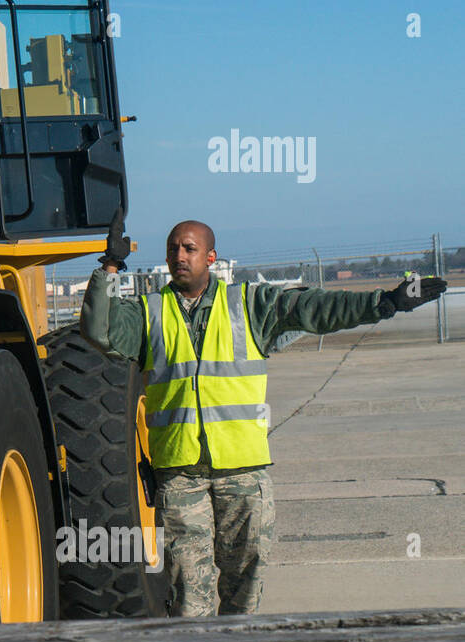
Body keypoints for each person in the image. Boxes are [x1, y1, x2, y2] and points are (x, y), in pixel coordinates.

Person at [79, 210, 447, 617]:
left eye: (189, 248)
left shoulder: (249, 305)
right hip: (180, 476)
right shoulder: (148, 313)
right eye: (172, 249)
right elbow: (100, 328)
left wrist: (385, 302)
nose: (179, 256)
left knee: (244, 592)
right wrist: (110, 266)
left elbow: (316, 308)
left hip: (243, 473)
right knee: (188, 598)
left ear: (211, 257)